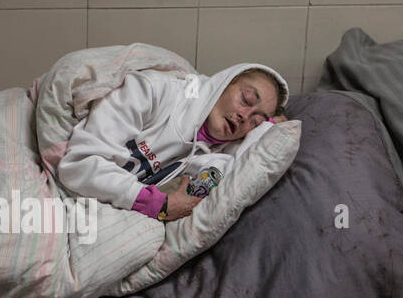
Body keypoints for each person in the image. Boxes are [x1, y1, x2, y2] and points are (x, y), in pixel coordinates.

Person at [57, 63, 290, 222]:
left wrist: (267, 130)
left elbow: (246, 169)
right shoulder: (153, 91)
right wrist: (157, 204)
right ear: (224, 83)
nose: (244, 116)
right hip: (58, 191)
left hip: (95, 212)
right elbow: (79, 164)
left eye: (255, 121)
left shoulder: (218, 154)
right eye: (246, 100)